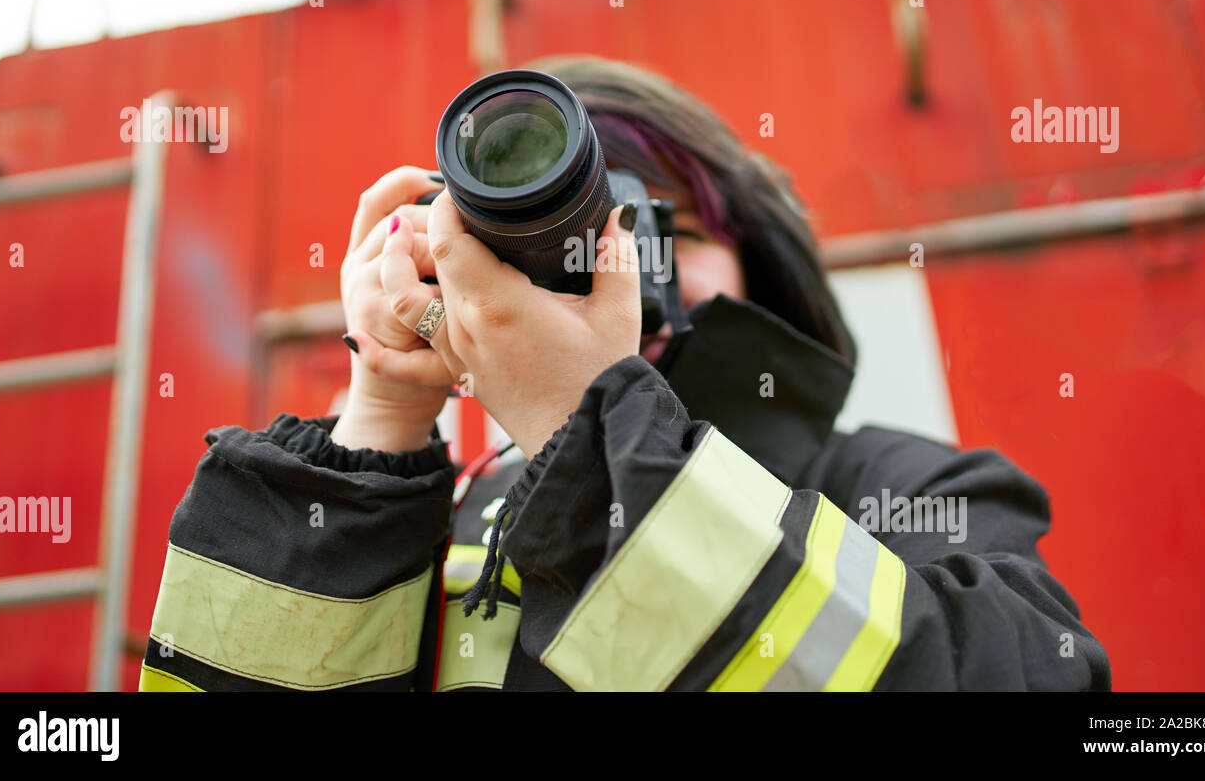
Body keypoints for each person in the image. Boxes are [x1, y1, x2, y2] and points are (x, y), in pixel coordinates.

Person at [139, 56, 1110, 692]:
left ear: (755, 268)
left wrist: (593, 420)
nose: (616, 271)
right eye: (563, 247)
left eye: (661, 231)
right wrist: (381, 412)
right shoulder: (428, 516)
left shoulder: (900, 486)